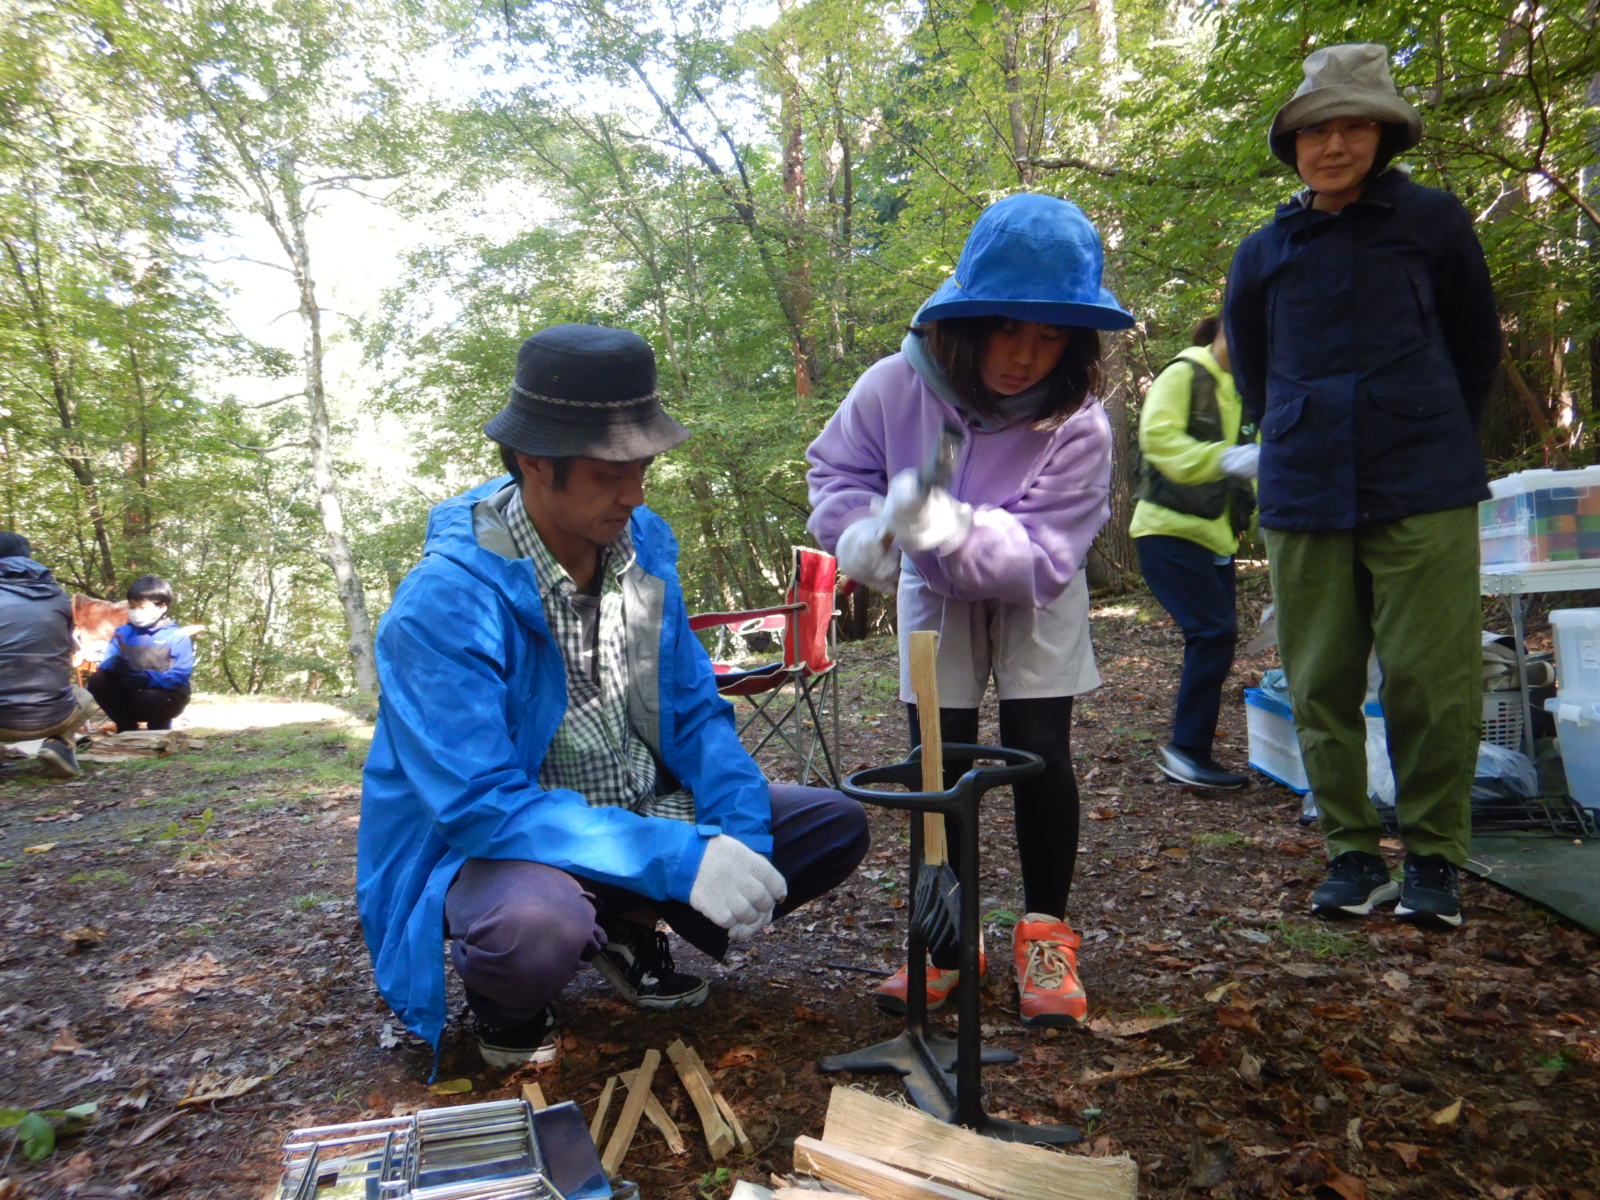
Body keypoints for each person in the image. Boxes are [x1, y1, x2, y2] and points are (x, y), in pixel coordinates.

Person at [358, 323, 869, 1070]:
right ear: (536, 463)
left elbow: (696, 712)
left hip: (634, 808)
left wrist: (738, 842)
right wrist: (682, 859)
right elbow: (481, 808)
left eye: (643, 468)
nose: (633, 494)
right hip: (506, 849)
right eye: (607, 473)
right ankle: (508, 1004)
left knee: (831, 826)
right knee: (533, 927)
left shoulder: (642, 550)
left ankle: (626, 927)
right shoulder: (443, 605)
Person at [806, 193, 1134, 1028]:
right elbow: (836, 474)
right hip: (930, 586)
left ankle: (1045, 941)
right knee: (935, 764)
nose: (1025, 356)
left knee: (1039, 752)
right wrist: (861, 534)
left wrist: (951, 525)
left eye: (1049, 334)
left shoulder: (1080, 424)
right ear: (971, 319)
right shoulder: (893, 385)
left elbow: (1049, 552)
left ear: (1075, 341)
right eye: (1008, 328)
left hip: (1036, 592)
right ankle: (944, 943)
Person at [1224, 44, 1500, 928]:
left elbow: (1475, 348)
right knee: (1318, 680)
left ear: (1382, 134)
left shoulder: (1432, 222)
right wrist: (1293, 433)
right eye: (1315, 130)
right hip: (1305, 487)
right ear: (1293, 143)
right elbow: (1258, 376)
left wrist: (1430, 429)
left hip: (1423, 480)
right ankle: (1348, 850)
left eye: (1351, 126)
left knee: (1429, 678)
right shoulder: (1266, 250)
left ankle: (1432, 860)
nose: (1333, 145)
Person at [1131, 315, 1257, 789]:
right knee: (1212, 633)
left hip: (1215, 540)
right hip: (1167, 531)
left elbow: (1260, 466)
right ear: (1219, 331)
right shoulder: (1184, 372)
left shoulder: (1247, 394)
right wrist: (1223, 458)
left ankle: (1191, 750)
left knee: (1217, 639)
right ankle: (1186, 751)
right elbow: (1159, 439)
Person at [0, 532, 95, 778]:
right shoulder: (58, 597)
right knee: (84, 695)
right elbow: (68, 648)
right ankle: (60, 745)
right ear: (29, 558)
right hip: (53, 715)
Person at [86, 576, 195, 733]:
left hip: (165, 697)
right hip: (129, 694)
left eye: (142, 607)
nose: (136, 612)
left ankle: (160, 728)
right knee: (98, 680)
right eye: (132, 606)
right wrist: (114, 665)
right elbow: (105, 665)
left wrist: (142, 678)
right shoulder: (122, 633)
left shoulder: (176, 636)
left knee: (151, 696)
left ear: (162, 607)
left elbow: (179, 677)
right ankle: (125, 727)